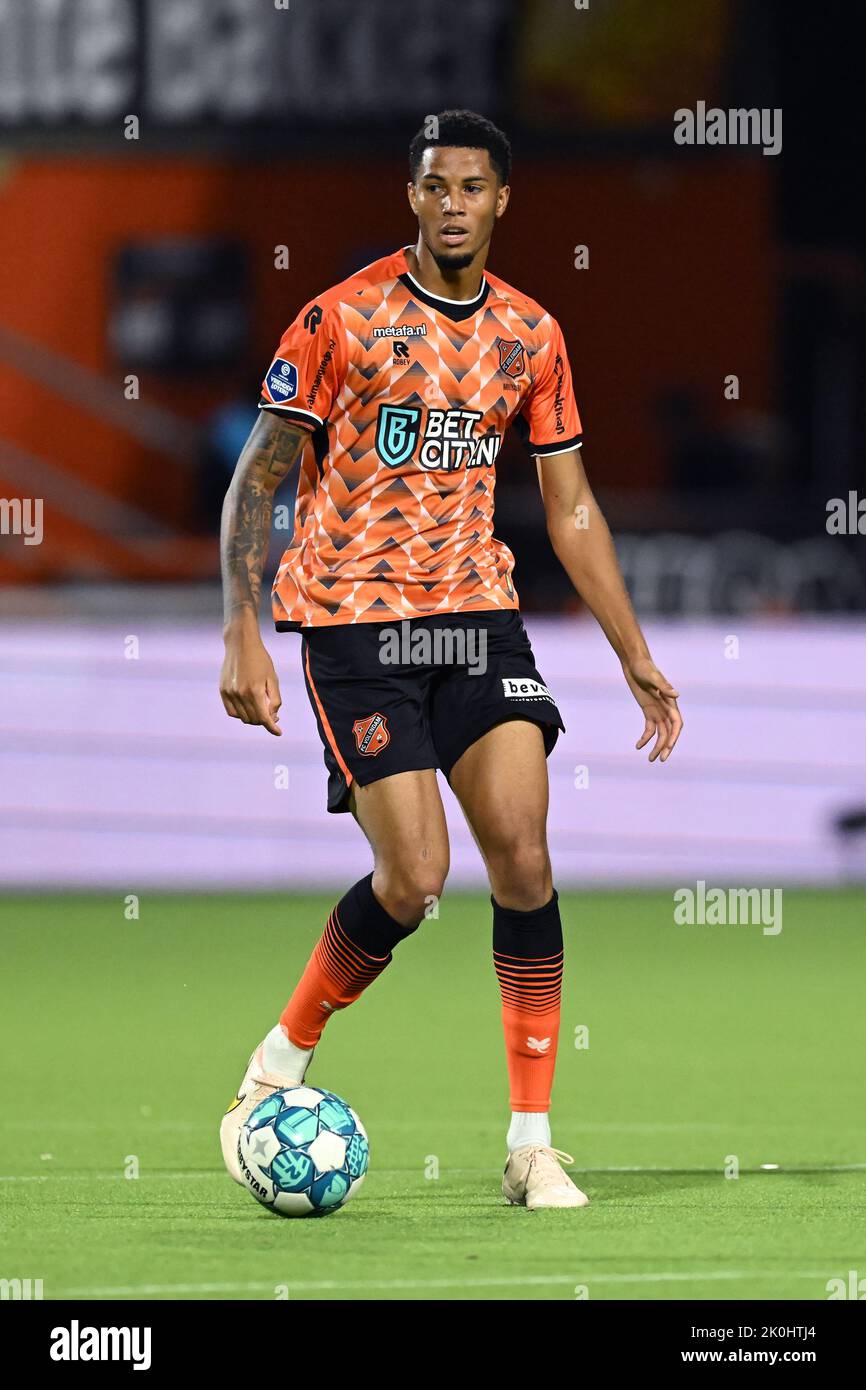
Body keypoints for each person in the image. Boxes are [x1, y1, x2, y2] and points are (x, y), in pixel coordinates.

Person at [218, 110, 683, 1210]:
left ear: (501, 201)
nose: (453, 204)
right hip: (352, 625)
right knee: (415, 879)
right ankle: (281, 1055)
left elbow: (569, 510)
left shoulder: (532, 335)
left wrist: (632, 652)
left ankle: (531, 1143)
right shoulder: (341, 317)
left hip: (475, 615)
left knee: (521, 849)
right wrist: (242, 623)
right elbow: (260, 476)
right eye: (435, 186)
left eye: (473, 186)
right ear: (412, 197)